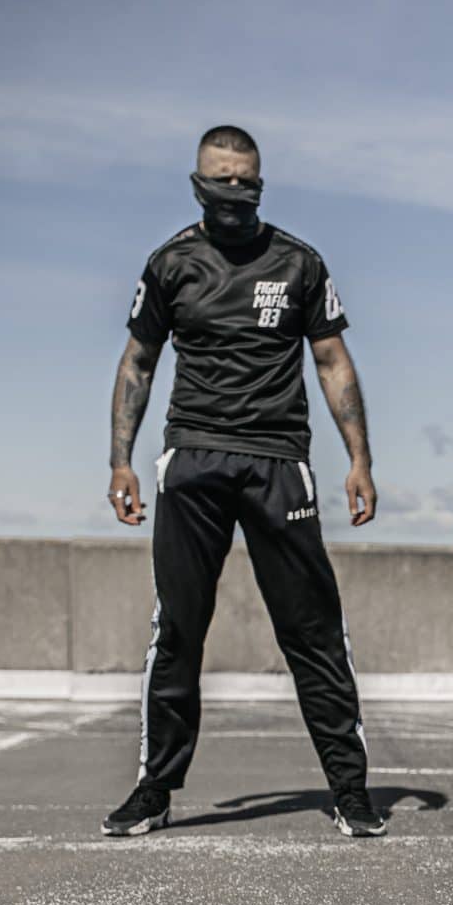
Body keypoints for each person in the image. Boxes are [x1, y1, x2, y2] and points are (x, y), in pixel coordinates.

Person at [101, 125, 384, 840]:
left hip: (277, 461)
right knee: (178, 630)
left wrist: (359, 460)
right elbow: (138, 362)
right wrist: (120, 461)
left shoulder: (298, 263)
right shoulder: (171, 264)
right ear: (197, 183)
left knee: (313, 630)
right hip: (193, 457)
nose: (233, 191)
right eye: (219, 179)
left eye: (244, 180)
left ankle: (350, 791)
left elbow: (332, 362)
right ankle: (155, 789)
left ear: (260, 183)